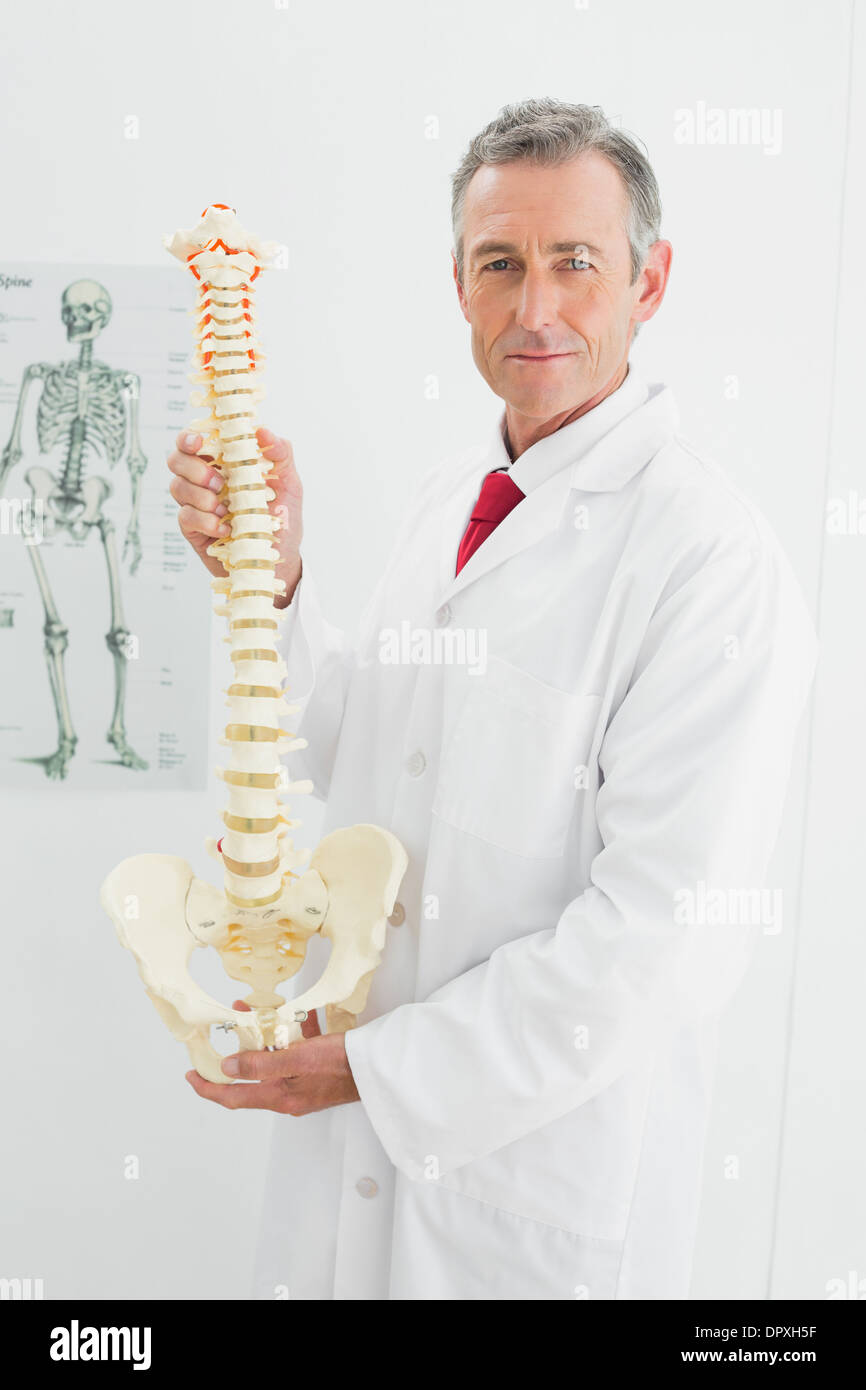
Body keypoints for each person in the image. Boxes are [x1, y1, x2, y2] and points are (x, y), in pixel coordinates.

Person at [167, 98, 817, 1300]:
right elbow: (362, 750)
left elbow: (666, 936)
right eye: (499, 264)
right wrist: (274, 576)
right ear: (457, 285)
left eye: (575, 262)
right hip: (351, 1162)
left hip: (527, 1206)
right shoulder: (448, 504)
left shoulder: (706, 558)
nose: (534, 308)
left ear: (649, 281)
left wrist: (381, 1067)